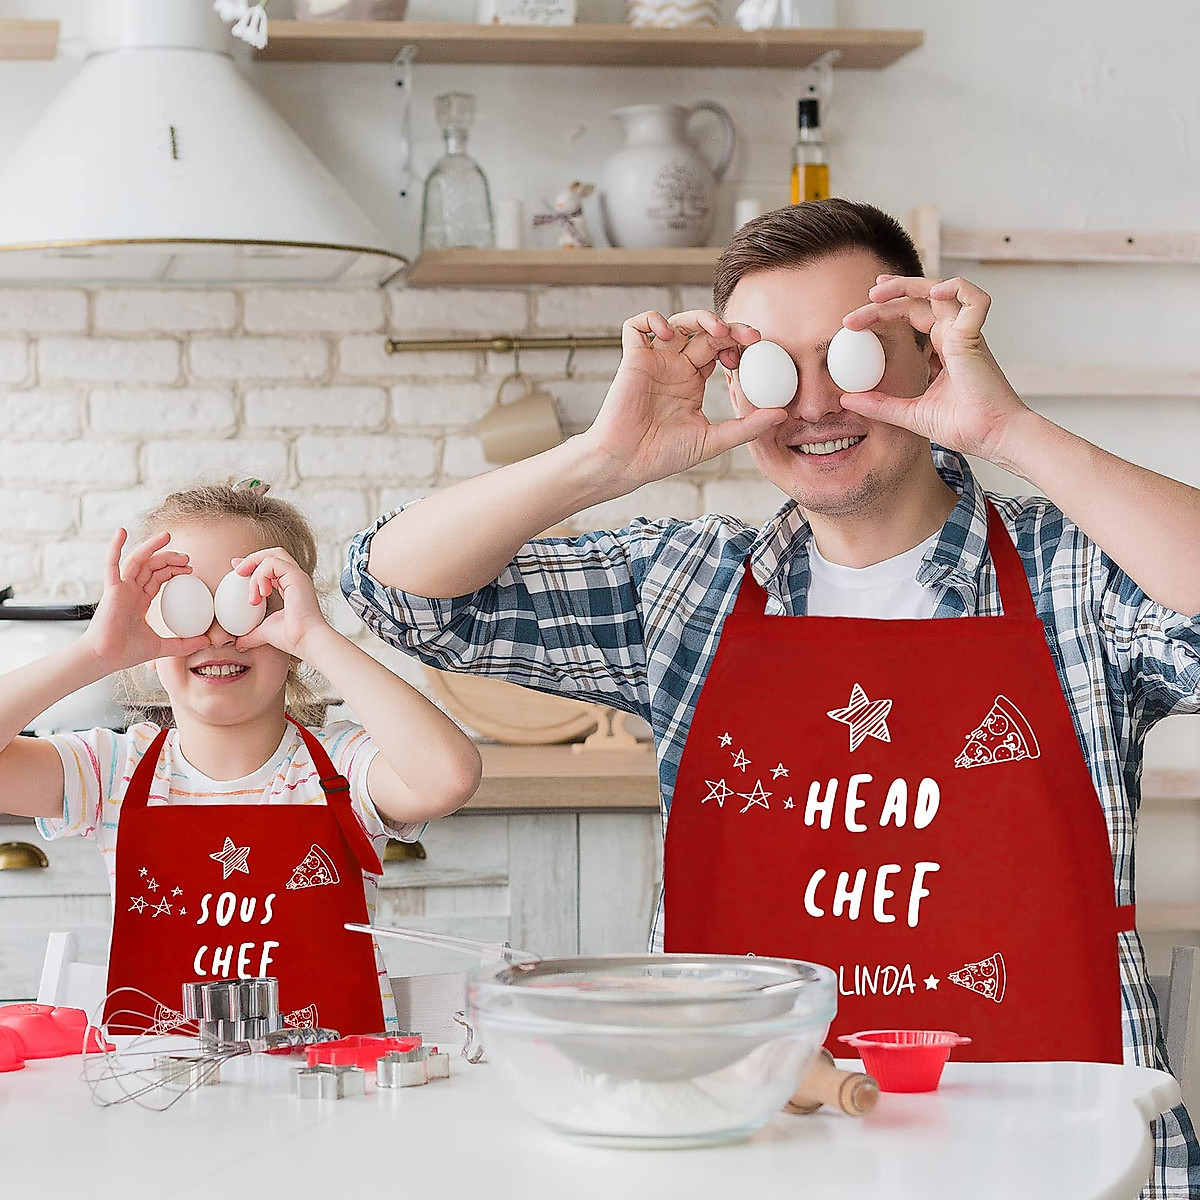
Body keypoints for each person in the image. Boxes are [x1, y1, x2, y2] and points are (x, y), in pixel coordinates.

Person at [342, 199, 1198, 1197]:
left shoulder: (1079, 576)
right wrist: (605, 459)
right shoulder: (684, 588)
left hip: (1054, 1149)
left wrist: (1009, 429)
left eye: (853, 357)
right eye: (776, 369)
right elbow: (399, 594)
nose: (816, 404)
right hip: (753, 1150)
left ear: (928, 358)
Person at [0, 481, 481, 1034]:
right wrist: (95, 653)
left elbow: (449, 777)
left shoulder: (341, 767)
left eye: (245, 604)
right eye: (185, 606)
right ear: (148, 632)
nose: (217, 636)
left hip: (331, 1075)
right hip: (160, 1076)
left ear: (290, 632)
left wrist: (317, 637)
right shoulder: (112, 771)